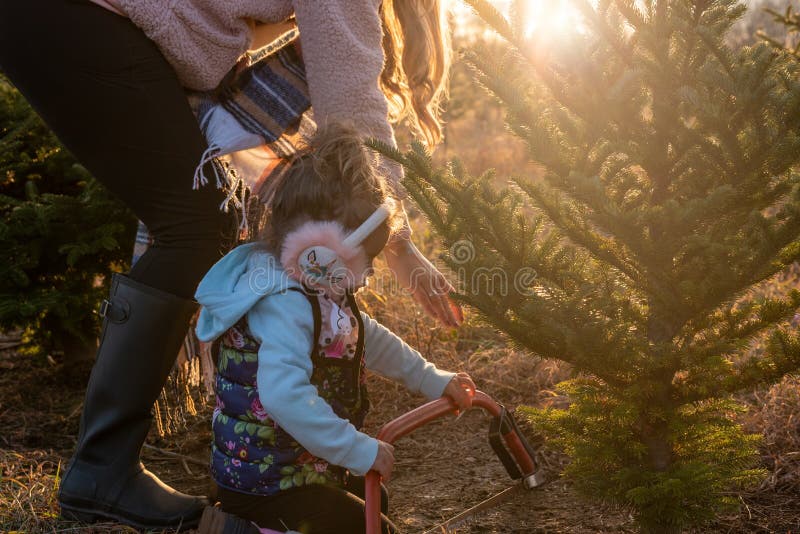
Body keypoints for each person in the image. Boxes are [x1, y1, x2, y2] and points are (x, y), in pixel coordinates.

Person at [0, 0, 462, 529]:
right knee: (193, 224)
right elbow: (351, 105)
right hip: (72, 19)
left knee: (198, 220)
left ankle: (103, 469)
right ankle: (101, 472)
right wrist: (395, 242)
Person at [194, 124, 476, 534]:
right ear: (322, 252)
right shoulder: (286, 301)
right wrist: (356, 448)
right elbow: (282, 395)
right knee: (365, 523)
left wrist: (432, 379)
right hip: (267, 483)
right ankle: (248, 528)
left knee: (371, 502)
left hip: (295, 467)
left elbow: (362, 339)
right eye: (364, 260)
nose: (368, 273)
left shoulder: (314, 286)